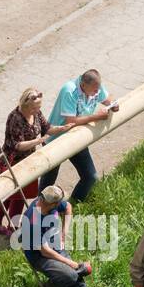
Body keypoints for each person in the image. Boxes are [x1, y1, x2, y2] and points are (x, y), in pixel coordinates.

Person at [18, 184, 98, 287]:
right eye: (59, 202)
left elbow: (67, 207)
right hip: (39, 256)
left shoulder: (49, 202)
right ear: (53, 203)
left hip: (54, 245)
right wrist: (71, 263)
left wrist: (64, 233)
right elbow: (45, 252)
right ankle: (53, 284)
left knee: (74, 278)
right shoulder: (33, 221)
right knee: (71, 276)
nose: (61, 204)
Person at [38, 69, 119, 204]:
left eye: (98, 89)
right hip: (56, 140)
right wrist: (96, 116)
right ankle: (38, 213)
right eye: (94, 90)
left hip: (76, 139)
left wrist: (113, 104)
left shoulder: (95, 86)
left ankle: (72, 206)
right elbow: (70, 121)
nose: (96, 93)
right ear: (83, 84)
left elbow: (107, 98)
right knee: (48, 183)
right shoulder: (69, 91)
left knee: (90, 177)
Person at [0, 87, 51, 236]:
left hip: (27, 160)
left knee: (11, 194)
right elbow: (18, 145)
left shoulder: (36, 113)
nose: (37, 111)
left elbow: (46, 127)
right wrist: (38, 141)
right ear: (26, 105)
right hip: (12, 161)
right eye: (35, 108)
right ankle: (11, 228)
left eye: (39, 108)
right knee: (15, 195)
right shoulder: (15, 118)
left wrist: (63, 128)